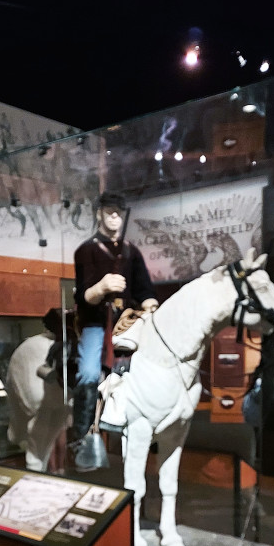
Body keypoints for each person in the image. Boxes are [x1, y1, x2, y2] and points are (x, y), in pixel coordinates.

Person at [70, 191, 158, 465]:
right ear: (100, 213)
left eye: (119, 213)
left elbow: (145, 290)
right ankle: (82, 435)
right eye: (110, 212)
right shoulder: (86, 250)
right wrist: (102, 287)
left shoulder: (132, 251)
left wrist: (152, 307)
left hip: (128, 319)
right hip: (97, 320)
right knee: (87, 373)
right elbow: (83, 295)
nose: (115, 217)